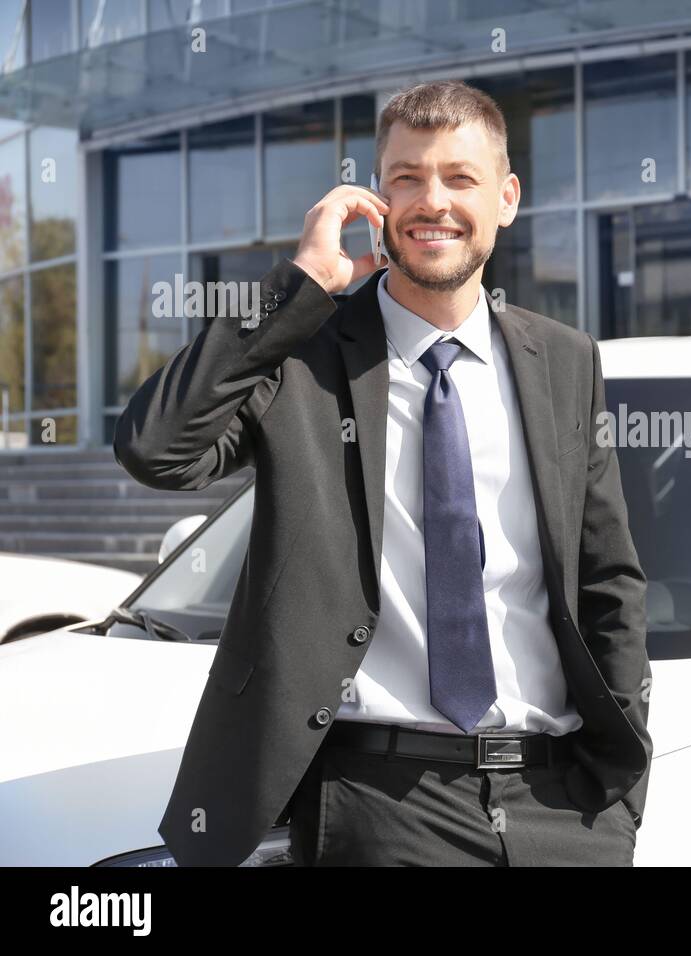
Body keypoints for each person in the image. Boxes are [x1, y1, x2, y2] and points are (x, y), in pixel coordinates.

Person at [114, 80, 652, 866]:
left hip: (559, 809)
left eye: (459, 178)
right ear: (376, 196)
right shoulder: (303, 358)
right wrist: (296, 288)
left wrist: (618, 798)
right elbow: (156, 447)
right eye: (407, 177)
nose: (432, 200)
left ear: (506, 198)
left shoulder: (564, 360)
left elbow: (608, 578)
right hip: (379, 806)